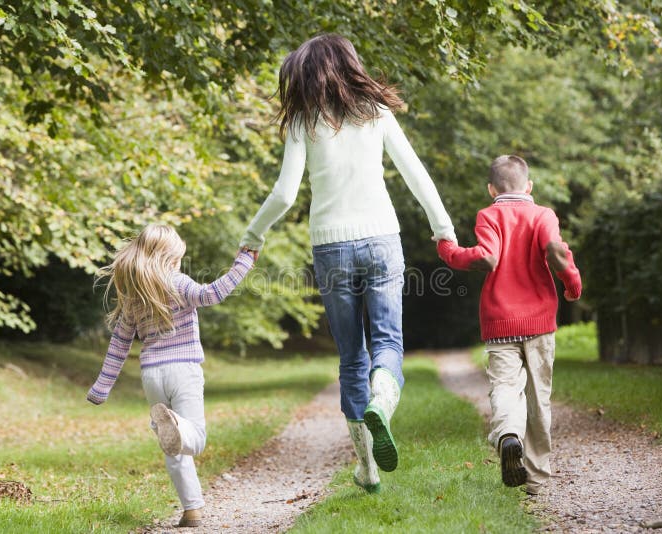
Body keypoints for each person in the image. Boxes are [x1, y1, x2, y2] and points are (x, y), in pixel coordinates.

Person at [239, 34, 456, 493]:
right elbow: (416, 173)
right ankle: (382, 401)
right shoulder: (376, 112)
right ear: (349, 64)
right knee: (388, 341)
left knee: (351, 355)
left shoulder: (303, 121)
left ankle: (367, 467)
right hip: (382, 239)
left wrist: (253, 236)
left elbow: (284, 194)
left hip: (330, 246)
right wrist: (443, 230)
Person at [87, 223, 254, 527]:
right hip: (183, 369)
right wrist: (243, 261)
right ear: (169, 258)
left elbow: (119, 343)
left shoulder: (135, 295)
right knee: (194, 439)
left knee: (173, 447)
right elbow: (212, 294)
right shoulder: (178, 283)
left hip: (152, 375)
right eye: (178, 257)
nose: (179, 262)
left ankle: (192, 510)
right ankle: (175, 424)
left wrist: (102, 386)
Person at [436, 155, 581, 495]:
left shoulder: (488, 215)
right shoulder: (544, 215)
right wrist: (572, 282)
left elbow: (487, 257)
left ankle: (508, 435)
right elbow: (555, 250)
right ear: (529, 186)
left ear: (491, 189)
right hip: (540, 320)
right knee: (538, 397)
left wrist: (449, 251)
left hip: (500, 320)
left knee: (504, 387)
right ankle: (537, 477)